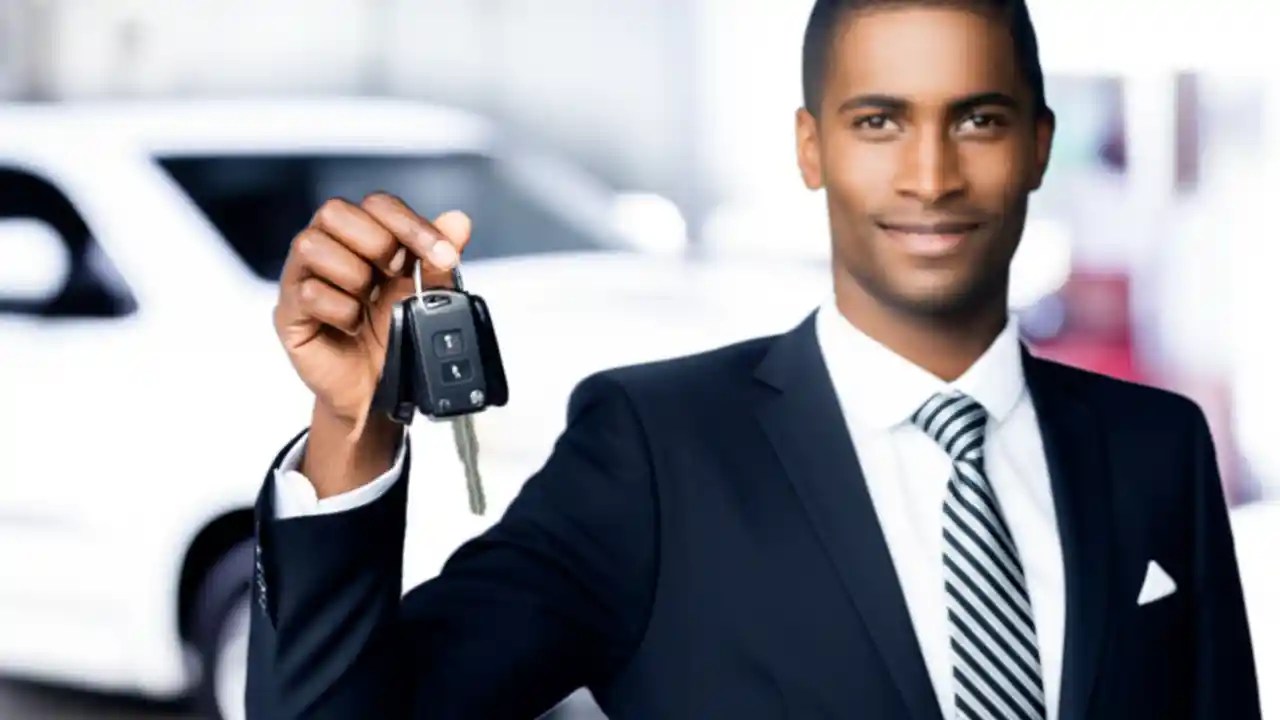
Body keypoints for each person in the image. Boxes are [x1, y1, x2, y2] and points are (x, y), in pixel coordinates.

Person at [246, 1, 1262, 718]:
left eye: (977, 119)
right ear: (811, 148)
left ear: (1037, 144)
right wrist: (352, 427)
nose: (929, 175)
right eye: (879, 121)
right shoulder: (654, 453)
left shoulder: (1154, 448)